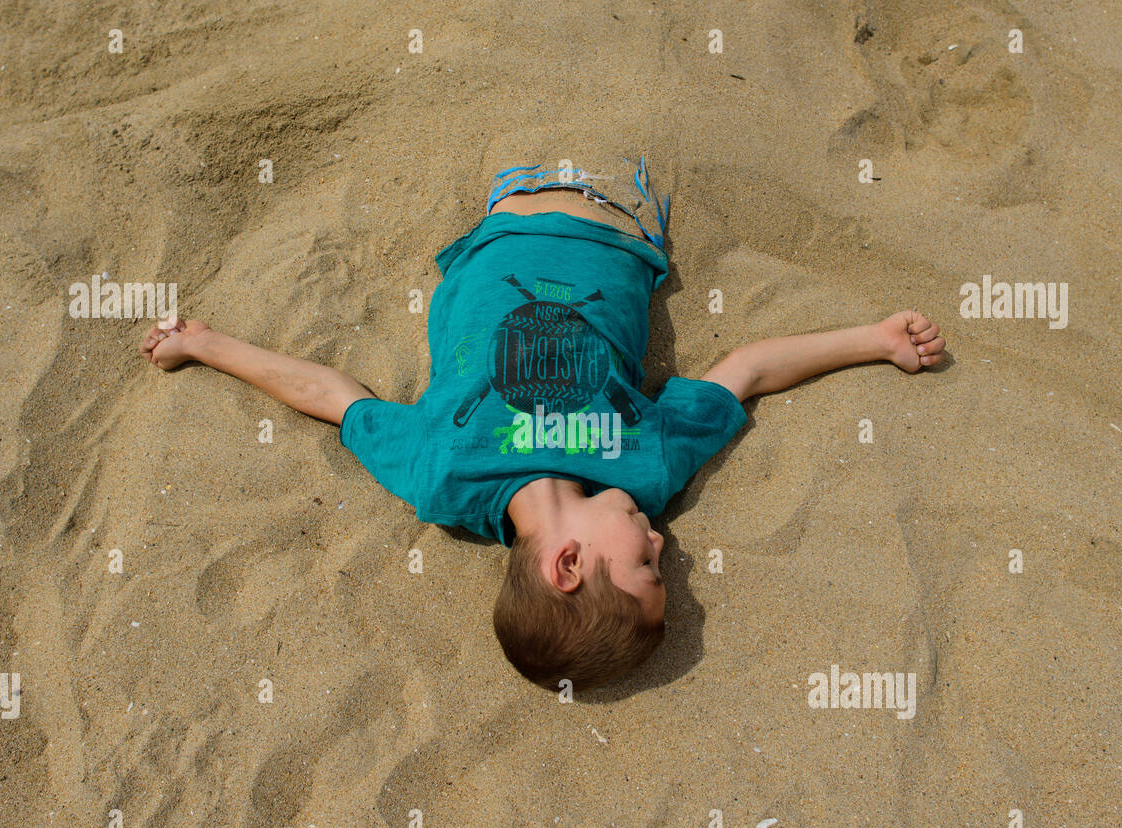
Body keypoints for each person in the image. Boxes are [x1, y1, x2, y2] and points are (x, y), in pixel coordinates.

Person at [138, 156, 946, 691]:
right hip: (626, 214)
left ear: (566, 563)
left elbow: (333, 397)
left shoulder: (443, 477)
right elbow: (747, 372)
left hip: (507, 203)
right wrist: (872, 341)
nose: (667, 550)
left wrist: (207, 346)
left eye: (648, 572)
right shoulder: (650, 469)